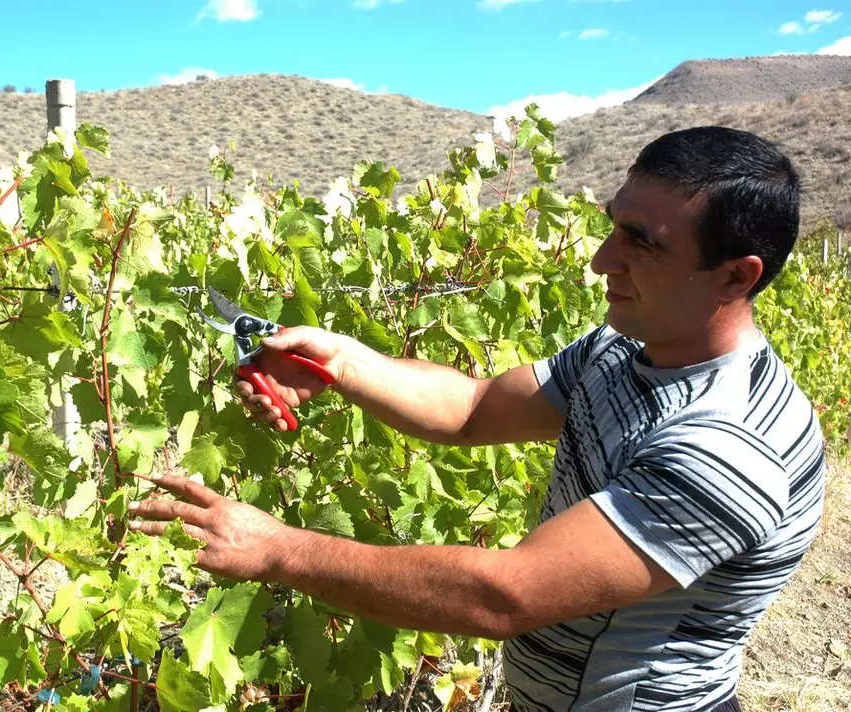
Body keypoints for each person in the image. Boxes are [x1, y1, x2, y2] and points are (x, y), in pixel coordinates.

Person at [127, 127, 826, 712]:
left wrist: (280, 548)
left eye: (641, 243)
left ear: (738, 276)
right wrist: (342, 361)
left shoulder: (732, 447)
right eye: (613, 227)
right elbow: (471, 408)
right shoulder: (625, 348)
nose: (599, 260)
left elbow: (504, 595)